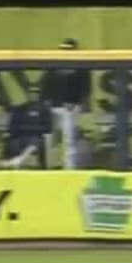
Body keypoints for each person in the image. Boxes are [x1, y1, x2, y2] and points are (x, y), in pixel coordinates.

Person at [41, 38, 91, 169]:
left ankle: (69, 168)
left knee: (69, 140)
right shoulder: (53, 67)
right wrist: (46, 103)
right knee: (52, 139)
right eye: (63, 49)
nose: (65, 52)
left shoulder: (81, 68)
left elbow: (85, 89)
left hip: (71, 109)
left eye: (68, 49)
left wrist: (76, 103)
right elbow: (45, 86)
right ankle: (52, 166)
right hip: (54, 108)